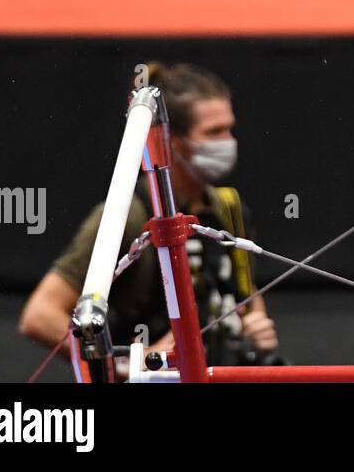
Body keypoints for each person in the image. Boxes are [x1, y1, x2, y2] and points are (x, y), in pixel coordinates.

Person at [18, 62, 281, 374]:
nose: (228, 142)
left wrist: (255, 324)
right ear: (171, 142)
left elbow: (243, 290)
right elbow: (40, 314)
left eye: (229, 128)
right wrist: (126, 366)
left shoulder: (228, 206)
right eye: (213, 132)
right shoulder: (127, 217)